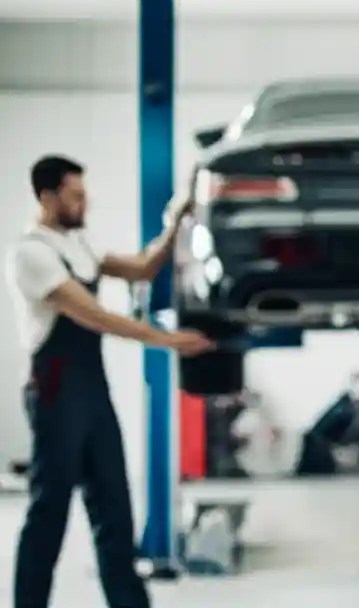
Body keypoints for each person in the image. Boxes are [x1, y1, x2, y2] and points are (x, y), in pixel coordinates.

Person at [6, 155, 214, 608]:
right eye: (75, 194)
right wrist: (169, 340)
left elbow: (141, 267)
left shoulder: (78, 244)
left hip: (92, 392)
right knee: (49, 514)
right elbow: (96, 316)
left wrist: (176, 220)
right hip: (55, 393)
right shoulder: (32, 254)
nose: (86, 201)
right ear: (47, 197)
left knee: (114, 511)